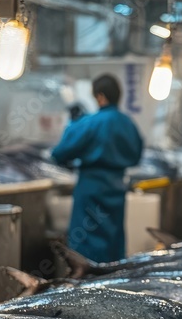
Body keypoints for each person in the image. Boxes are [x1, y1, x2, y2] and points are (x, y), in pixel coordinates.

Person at [53, 74, 143, 263]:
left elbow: (60, 152)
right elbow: (136, 156)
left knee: (86, 242)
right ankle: (110, 281)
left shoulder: (92, 122)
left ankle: (86, 283)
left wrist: (74, 123)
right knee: (113, 240)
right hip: (117, 187)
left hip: (91, 188)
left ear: (100, 96)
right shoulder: (128, 123)